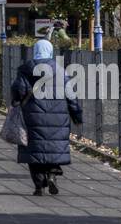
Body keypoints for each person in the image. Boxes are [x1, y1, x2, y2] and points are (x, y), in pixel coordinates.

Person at [10, 38, 82, 196]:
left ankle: (38, 185)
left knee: (33, 150)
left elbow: (18, 90)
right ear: (50, 51)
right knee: (53, 146)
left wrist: (15, 101)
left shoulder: (25, 69)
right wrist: (76, 114)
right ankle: (52, 175)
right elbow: (71, 95)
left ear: (35, 51)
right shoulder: (60, 70)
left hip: (32, 116)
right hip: (58, 117)